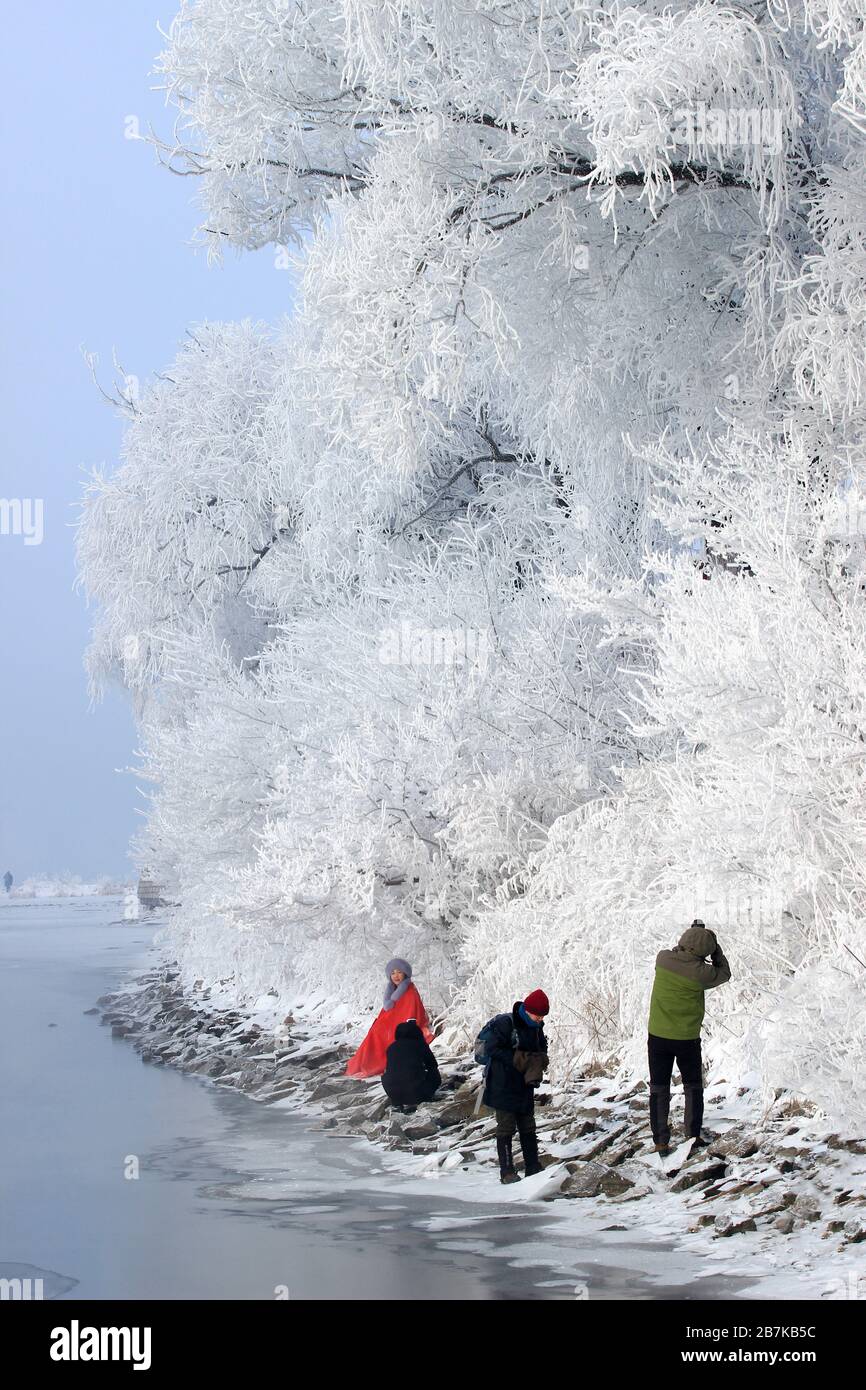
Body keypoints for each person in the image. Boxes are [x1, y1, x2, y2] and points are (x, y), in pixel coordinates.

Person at [647, 920, 731, 1156]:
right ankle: (692, 1135)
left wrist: (689, 943)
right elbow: (724, 973)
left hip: (658, 1037)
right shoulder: (702, 974)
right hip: (686, 1039)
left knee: (659, 1087)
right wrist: (716, 950)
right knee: (693, 1086)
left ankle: (660, 1141)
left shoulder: (662, 959)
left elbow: (677, 953)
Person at [481, 989, 550, 1184]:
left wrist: (540, 1059)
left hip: (524, 1084)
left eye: (542, 1016)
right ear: (527, 1010)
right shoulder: (506, 1023)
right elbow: (491, 1049)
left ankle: (533, 1166)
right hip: (502, 1083)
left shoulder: (537, 1027)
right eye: (538, 1015)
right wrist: (518, 1059)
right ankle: (507, 1171)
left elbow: (541, 1047)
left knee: (528, 1126)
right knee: (506, 1127)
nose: (540, 1019)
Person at [345, 957, 434, 1078]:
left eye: (399, 972)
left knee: (380, 1036)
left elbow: (411, 1013)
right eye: (392, 973)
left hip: (401, 1028)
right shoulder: (392, 990)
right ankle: (363, 1063)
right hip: (390, 1024)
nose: (396, 976)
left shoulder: (410, 991)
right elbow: (387, 1013)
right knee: (374, 1033)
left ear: (405, 973)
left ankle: (373, 1064)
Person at [381, 1019, 441, 1112]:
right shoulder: (420, 1045)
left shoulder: (391, 1047)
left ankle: (399, 1103)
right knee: (433, 1072)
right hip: (417, 1093)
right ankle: (425, 1096)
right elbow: (432, 1064)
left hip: (394, 1094)